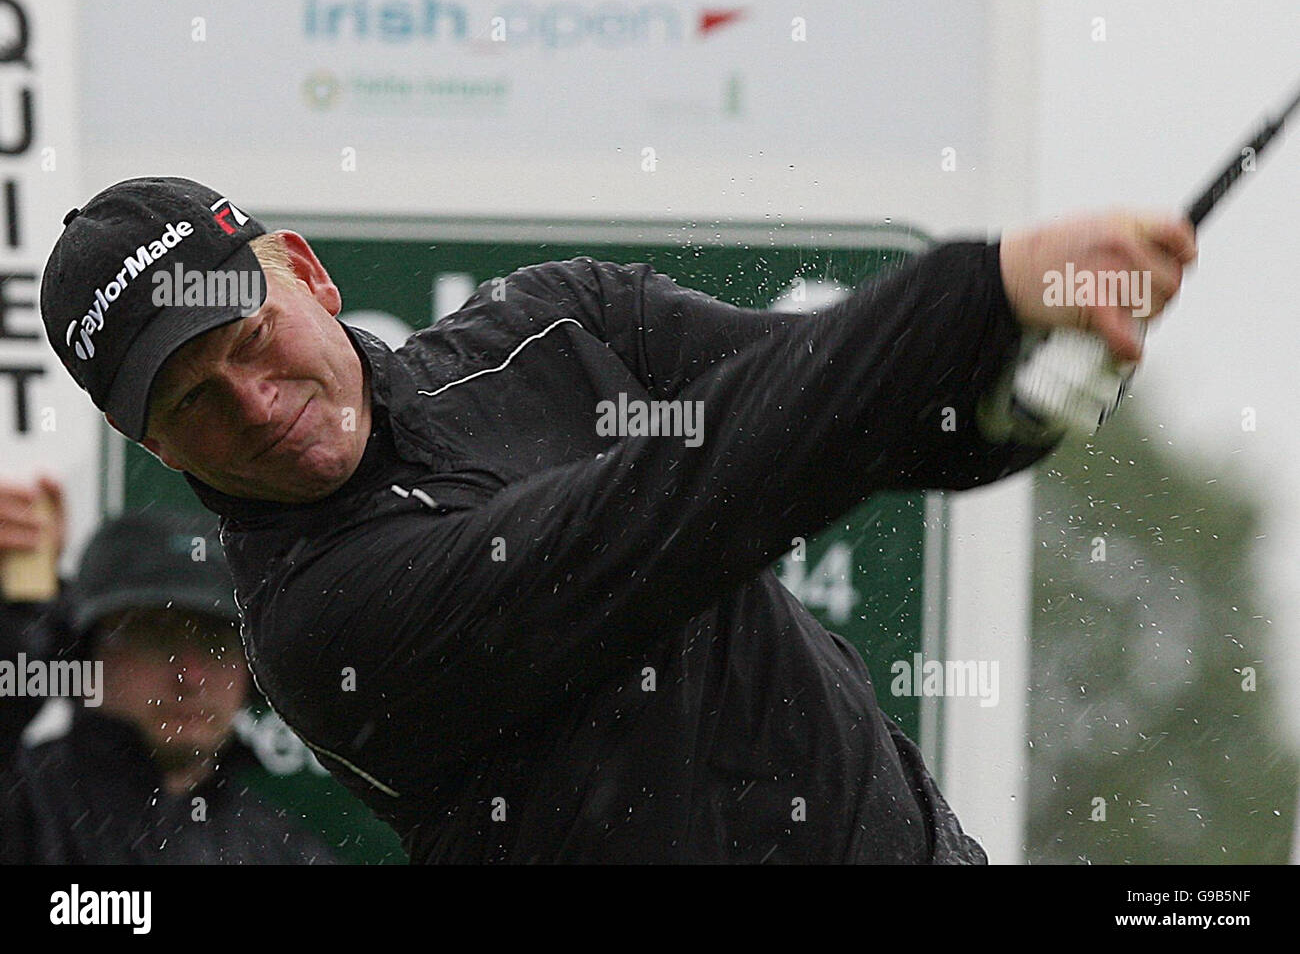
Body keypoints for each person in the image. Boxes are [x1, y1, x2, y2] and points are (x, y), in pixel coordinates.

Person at [38, 177, 1195, 863]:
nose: (254, 402)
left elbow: (845, 407)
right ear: (152, 446)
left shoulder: (557, 321)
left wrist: (1022, 375)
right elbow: (668, 509)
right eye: (193, 401)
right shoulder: (321, 624)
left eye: (247, 339)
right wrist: (981, 291)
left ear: (304, 269)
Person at [0, 479, 336, 863]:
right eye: (157, 638)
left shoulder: (285, 851)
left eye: (217, 643)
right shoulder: (22, 809)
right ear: (86, 654)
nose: (191, 677)